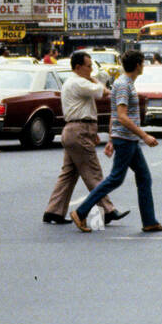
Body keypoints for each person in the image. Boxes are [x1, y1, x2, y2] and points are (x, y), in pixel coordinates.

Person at [71, 49, 162, 234]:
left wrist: (111, 137)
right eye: (142, 63)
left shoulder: (124, 83)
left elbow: (114, 115)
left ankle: (149, 221)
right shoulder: (124, 85)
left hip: (124, 137)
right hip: (126, 138)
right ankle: (80, 211)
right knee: (115, 179)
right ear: (138, 65)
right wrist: (144, 135)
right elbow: (122, 116)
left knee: (144, 178)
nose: (144, 66)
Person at [42, 50, 128, 227]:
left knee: (68, 173)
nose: (91, 70)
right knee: (93, 172)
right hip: (79, 130)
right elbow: (103, 92)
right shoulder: (79, 82)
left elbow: (85, 108)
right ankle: (108, 210)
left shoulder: (72, 82)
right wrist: (94, 79)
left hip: (76, 130)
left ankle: (54, 211)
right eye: (88, 66)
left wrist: (92, 132)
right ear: (78, 67)